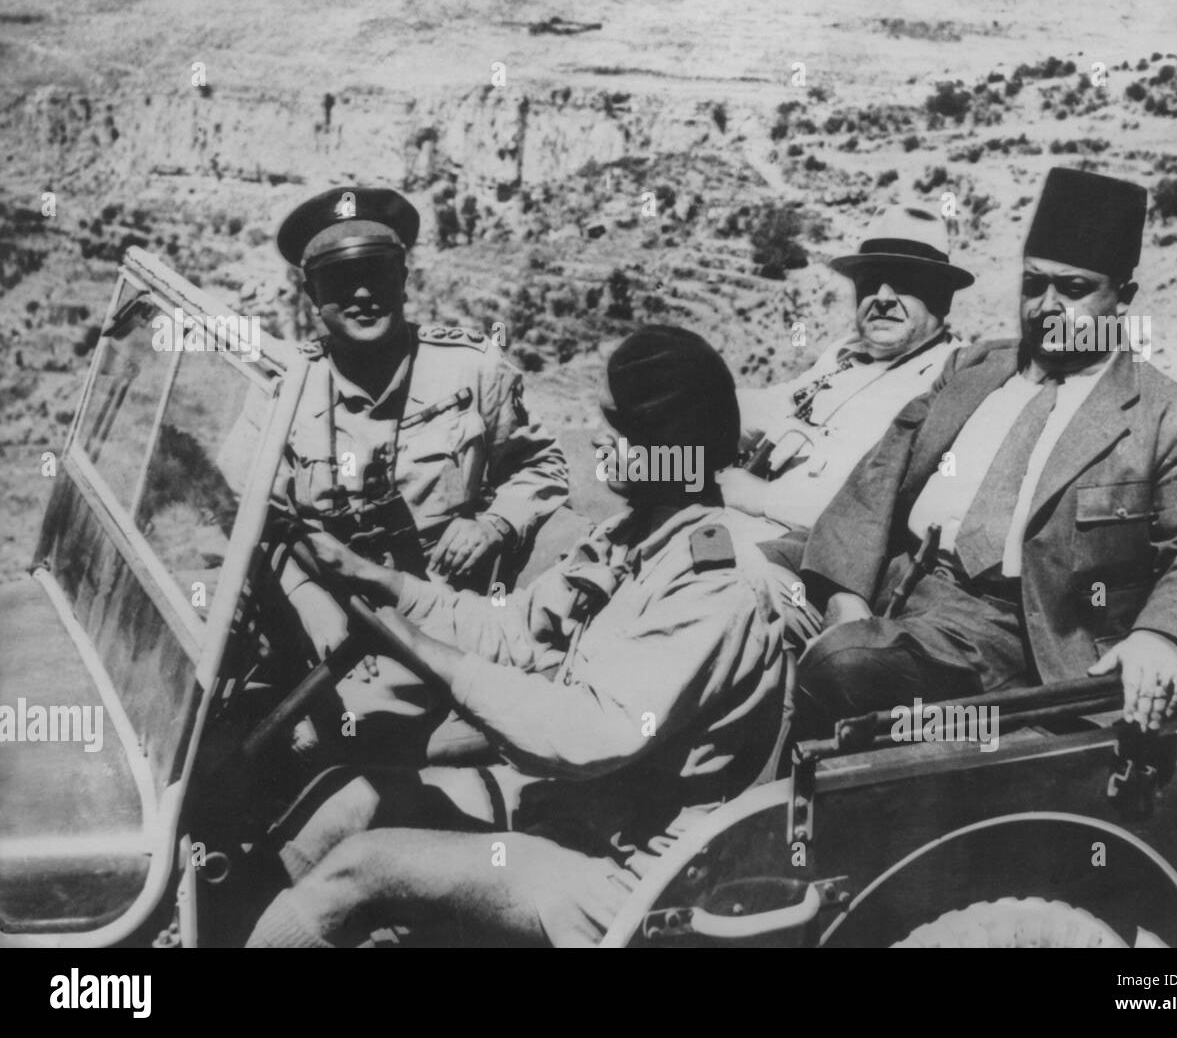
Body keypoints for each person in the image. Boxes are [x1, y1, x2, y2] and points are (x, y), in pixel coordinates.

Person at [246, 326, 801, 948]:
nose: (597, 439)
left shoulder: (714, 585)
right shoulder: (629, 537)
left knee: (364, 867)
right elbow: (514, 629)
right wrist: (381, 582)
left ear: (669, 447)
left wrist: (428, 653)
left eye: (617, 430)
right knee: (350, 804)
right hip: (575, 812)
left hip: (638, 879)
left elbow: (584, 734)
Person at [796, 168, 1177, 738]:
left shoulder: (1173, 423)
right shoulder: (976, 368)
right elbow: (877, 480)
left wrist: (1160, 634)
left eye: (1075, 289)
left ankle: (766, 821)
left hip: (1013, 628)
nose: (1047, 306)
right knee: (736, 574)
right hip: (897, 580)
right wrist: (843, 594)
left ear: (1123, 299)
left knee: (842, 667)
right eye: (1034, 285)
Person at [269, 186, 568, 757]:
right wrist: (306, 593)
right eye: (339, 282)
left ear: (402, 279)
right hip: (329, 619)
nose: (361, 295)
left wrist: (493, 525)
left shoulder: (471, 368)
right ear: (311, 295)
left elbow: (543, 465)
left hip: (444, 620)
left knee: (340, 752)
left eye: (377, 274)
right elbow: (247, 514)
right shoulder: (288, 388)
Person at [719, 205, 973, 537]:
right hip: (746, 521)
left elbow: (878, 506)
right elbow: (777, 406)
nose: (882, 297)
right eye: (870, 281)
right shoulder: (847, 353)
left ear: (941, 297)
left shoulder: (950, 380)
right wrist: (689, 401)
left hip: (807, 555)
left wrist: (758, 497)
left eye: (903, 282)